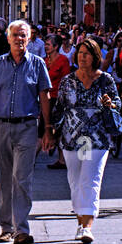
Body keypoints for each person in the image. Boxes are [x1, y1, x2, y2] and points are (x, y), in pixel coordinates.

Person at [0, 21, 53, 244]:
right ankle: (5, 227)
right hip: (0, 126)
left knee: (22, 178)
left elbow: (44, 97)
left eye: (23, 36)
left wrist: (47, 128)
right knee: (4, 179)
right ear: (8, 38)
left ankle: (21, 229)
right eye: (15, 35)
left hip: (27, 126)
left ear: (29, 39)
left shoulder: (38, 64)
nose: (19, 39)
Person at [53, 39, 120, 242]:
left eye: (87, 53)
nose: (82, 57)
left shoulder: (105, 80)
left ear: (95, 57)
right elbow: (59, 108)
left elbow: (117, 103)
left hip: (96, 138)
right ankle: (80, 221)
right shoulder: (68, 81)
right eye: (80, 53)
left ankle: (87, 226)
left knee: (90, 180)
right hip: (74, 138)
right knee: (75, 181)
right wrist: (48, 133)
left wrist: (110, 104)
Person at [45, 35, 71, 169]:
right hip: (45, 98)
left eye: (48, 44)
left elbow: (66, 79)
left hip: (58, 98)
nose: (46, 46)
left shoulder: (63, 60)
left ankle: (62, 159)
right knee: (46, 126)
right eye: (45, 44)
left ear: (56, 47)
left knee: (59, 129)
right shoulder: (44, 61)